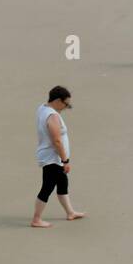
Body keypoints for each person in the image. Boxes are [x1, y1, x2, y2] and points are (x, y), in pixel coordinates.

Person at [32, 86, 85, 227]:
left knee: (62, 183)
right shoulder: (53, 116)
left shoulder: (42, 108)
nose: (66, 107)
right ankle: (36, 219)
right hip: (52, 158)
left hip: (51, 156)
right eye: (65, 104)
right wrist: (65, 160)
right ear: (57, 100)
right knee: (47, 187)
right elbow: (56, 140)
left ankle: (70, 212)